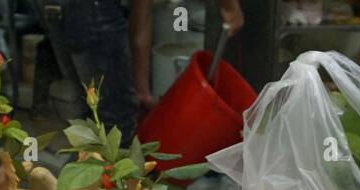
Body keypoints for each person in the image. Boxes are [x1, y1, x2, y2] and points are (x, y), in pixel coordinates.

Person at [64, 0, 244, 138]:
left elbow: (141, 14)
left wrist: (141, 90)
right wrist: (230, 7)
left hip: (64, 10)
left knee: (92, 120)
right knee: (116, 132)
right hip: (88, 10)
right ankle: (120, 184)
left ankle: (78, 183)